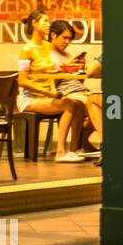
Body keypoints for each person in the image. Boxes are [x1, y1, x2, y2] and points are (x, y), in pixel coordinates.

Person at [16, 9, 86, 162]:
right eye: (45, 21)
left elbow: (50, 74)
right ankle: (60, 152)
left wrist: (69, 68)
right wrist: (49, 94)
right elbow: (22, 81)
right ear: (35, 24)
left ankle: (75, 148)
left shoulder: (47, 46)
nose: (49, 25)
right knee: (68, 105)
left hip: (46, 95)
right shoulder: (26, 50)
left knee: (77, 104)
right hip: (29, 99)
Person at [49, 19, 102, 151]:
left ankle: (82, 141)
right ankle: (78, 145)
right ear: (53, 35)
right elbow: (50, 83)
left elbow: (77, 81)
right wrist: (66, 68)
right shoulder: (47, 56)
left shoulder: (68, 55)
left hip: (80, 89)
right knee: (97, 105)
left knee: (101, 103)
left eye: (70, 39)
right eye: (64, 38)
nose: (67, 42)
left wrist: (80, 69)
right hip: (66, 93)